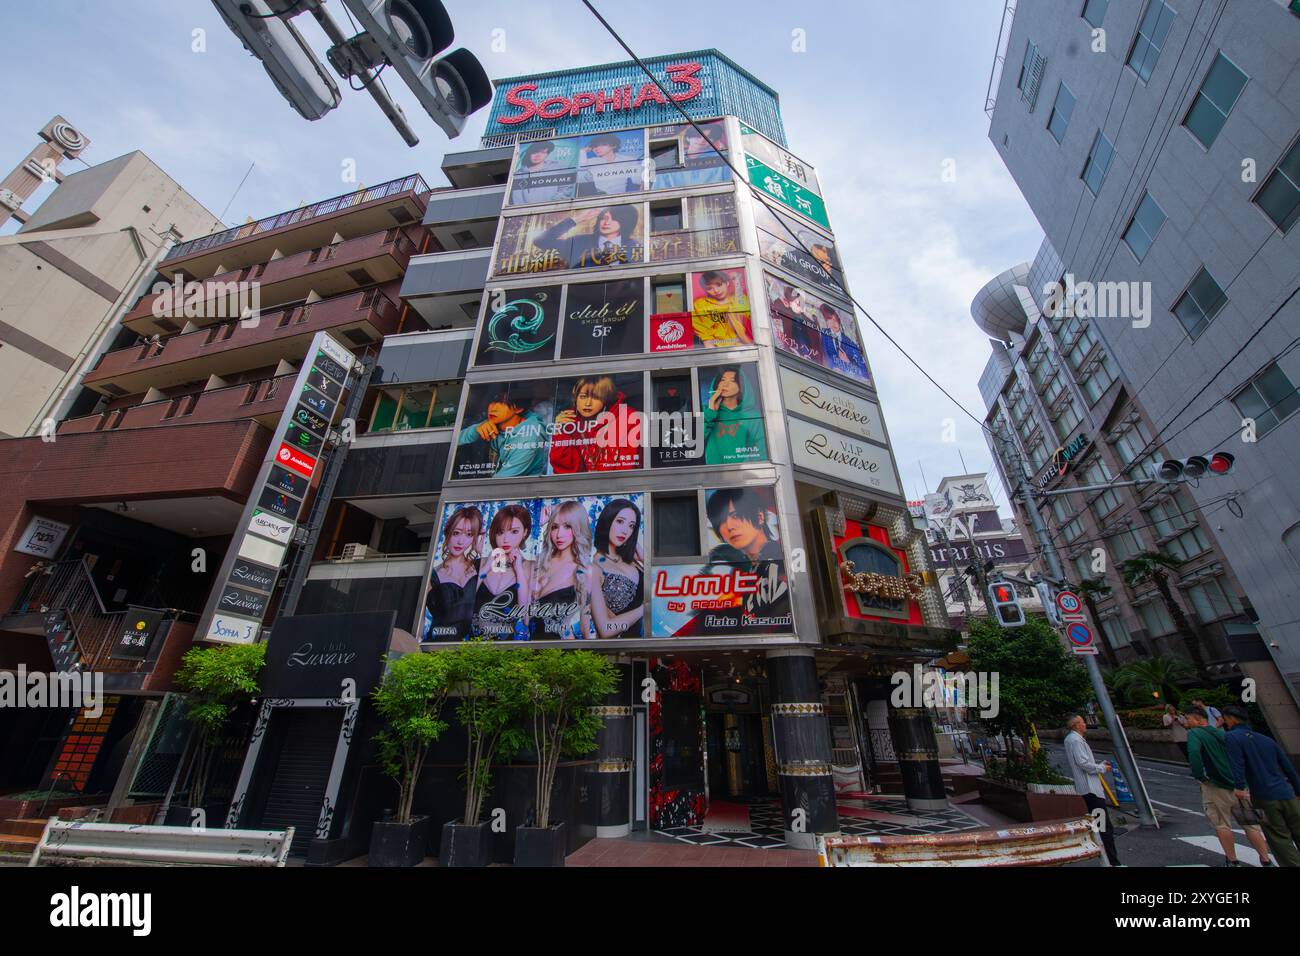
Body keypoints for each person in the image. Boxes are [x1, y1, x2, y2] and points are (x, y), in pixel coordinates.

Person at [1183, 705, 1273, 866]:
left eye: (1188, 718)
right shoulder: (1223, 733)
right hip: (1239, 785)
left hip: (1216, 785)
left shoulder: (1194, 733)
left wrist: (1199, 776)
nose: (1186, 721)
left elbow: (1194, 754)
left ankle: (1232, 860)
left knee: (1222, 824)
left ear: (1198, 718)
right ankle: (1265, 859)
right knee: (1251, 825)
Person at [1223, 705, 1300, 867]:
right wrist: (1297, 789)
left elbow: (1237, 763)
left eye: (1225, 719)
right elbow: (1288, 767)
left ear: (1231, 719)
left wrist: (1238, 786)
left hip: (1264, 796)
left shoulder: (1232, 737)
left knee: (1279, 837)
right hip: (1287, 794)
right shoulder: (1266, 739)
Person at [548, 375, 639, 473]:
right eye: (583, 396)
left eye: (596, 397)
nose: (588, 403)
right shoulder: (569, 421)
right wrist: (560, 432)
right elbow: (565, 472)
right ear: (575, 398)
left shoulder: (627, 417)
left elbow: (627, 468)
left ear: (606, 398)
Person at [530, 502, 594, 641]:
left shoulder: (584, 570)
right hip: (529, 651)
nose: (559, 534)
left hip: (562, 653)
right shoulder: (538, 563)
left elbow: (586, 627)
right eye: (554, 527)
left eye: (567, 526)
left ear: (578, 528)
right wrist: (538, 522)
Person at [1064, 715, 1122, 866]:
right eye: (1083, 722)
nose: (1085, 724)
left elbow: (1084, 762)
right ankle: (1111, 861)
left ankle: (1108, 858)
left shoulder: (1073, 739)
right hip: (1091, 790)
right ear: (1076, 725)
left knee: (1100, 826)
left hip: (1089, 789)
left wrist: (1099, 764)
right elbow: (1083, 763)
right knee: (1103, 827)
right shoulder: (1075, 740)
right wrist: (1101, 768)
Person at [456, 388, 550, 478]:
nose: (493, 408)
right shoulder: (494, 422)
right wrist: (475, 430)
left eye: (502, 403)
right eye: (493, 401)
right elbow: (453, 443)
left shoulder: (529, 436)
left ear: (518, 409)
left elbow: (503, 480)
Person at [474, 505, 534, 641]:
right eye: (501, 532)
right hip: (471, 649)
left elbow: (526, 618)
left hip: (507, 650)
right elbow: (463, 603)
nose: (506, 539)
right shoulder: (480, 564)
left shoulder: (529, 567)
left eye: (514, 532)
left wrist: (518, 569)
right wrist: (486, 566)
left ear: (525, 532)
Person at [424, 506, 482, 642]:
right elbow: (420, 621)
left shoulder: (480, 567)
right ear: (447, 532)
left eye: (469, 534)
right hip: (439, 647)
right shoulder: (432, 575)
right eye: (456, 533)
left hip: (477, 648)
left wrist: (481, 551)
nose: (461, 541)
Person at [589, 499, 644, 639]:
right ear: (607, 520)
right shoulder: (594, 568)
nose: (625, 530)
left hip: (656, 636)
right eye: (620, 521)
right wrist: (646, 608)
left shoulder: (633, 561)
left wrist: (644, 558)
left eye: (631, 526)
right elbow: (605, 630)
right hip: (623, 650)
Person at [534, 206, 642, 269]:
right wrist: (579, 219)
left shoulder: (635, 247)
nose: (607, 222)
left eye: (614, 219)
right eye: (604, 218)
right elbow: (541, 241)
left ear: (625, 222)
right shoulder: (578, 242)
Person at [701, 366, 767, 465]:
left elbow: (762, 449)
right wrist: (711, 412)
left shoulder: (753, 415)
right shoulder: (705, 411)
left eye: (732, 381)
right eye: (722, 380)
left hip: (746, 474)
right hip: (714, 475)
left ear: (741, 386)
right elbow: (696, 441)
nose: (725, 384)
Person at [691, 271, 752, 347]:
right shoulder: (700, 305)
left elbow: (748, 315)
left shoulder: (739, 299)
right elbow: (706, 339)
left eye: (719, 285)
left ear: (727, 283)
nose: (716, 291)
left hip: (743, 346)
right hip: (717, 349)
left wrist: (737, 282)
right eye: (709, 288)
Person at [510, 140, 574, 205]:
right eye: (535, 152)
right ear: (529, 153)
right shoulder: (518, 175)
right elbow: (515, 198)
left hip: (551, 210)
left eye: (543, 152)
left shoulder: (557, 168)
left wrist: (553, 203)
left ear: (547, 154)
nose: (538, 155)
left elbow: (567, 188)